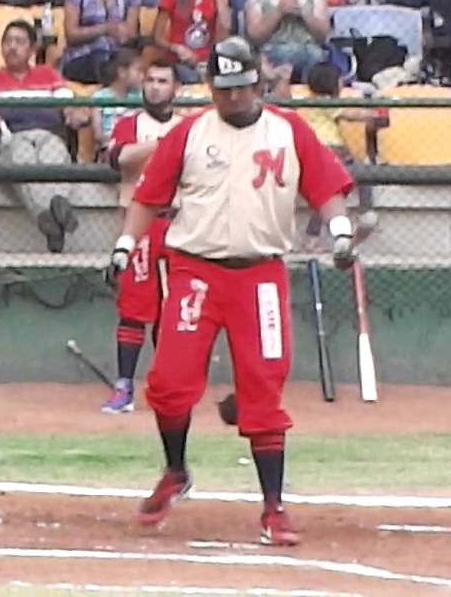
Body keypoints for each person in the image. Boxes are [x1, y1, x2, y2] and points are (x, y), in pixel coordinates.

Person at [108, 36, 358, 546]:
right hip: (194, 270)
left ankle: (273, 508)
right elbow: (148, 195)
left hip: (260, 273)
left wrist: (342, 232)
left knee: (264, 387)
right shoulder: (189, 133)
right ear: (211, 88)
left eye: (243, 87)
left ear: (258, 83)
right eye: (225, 89)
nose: (235, 98)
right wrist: (123, 244)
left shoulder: (289, 131)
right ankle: (176, 470)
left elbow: (326, 189)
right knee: (169, 381)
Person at [99, 60, 183, 414]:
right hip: (140, 223)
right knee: (133, 308)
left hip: (181, 222)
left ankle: (166, 386)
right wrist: (164, 145)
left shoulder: (190, 125)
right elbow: (120, 158)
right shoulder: (129, 123)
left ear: (175, 87)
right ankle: (124, 387)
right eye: (149, 80)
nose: (155, 87)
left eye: (163, 81)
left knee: (173, 311)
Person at [0, 19, 85, 253]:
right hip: (13, 137)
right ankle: (55, 214)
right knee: (23, 158)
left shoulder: (48, 75)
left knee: (54, 155)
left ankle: (50, 215)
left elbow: (67, 105)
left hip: (48, 134)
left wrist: (74, 114)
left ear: (32, 49)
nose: (12, 47)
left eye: (19, 42)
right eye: (7, 42)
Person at [299, 62, 375, 251]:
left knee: (363, 172)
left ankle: (364, 213)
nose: (342, 83)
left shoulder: (308, 99)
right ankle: (314, 237)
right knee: (328, 194)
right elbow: (351, 114)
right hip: (327, 153)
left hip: (337, 154)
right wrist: (372, 114)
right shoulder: (324, 101)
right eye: (339, 80)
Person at [90, 48, 143, 151]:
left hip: (136, 146)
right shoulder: (99, 97)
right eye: (138, 70)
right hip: (110, 147)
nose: (142, 75)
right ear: (122, 72)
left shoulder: (139, 96)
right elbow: (98, 134)